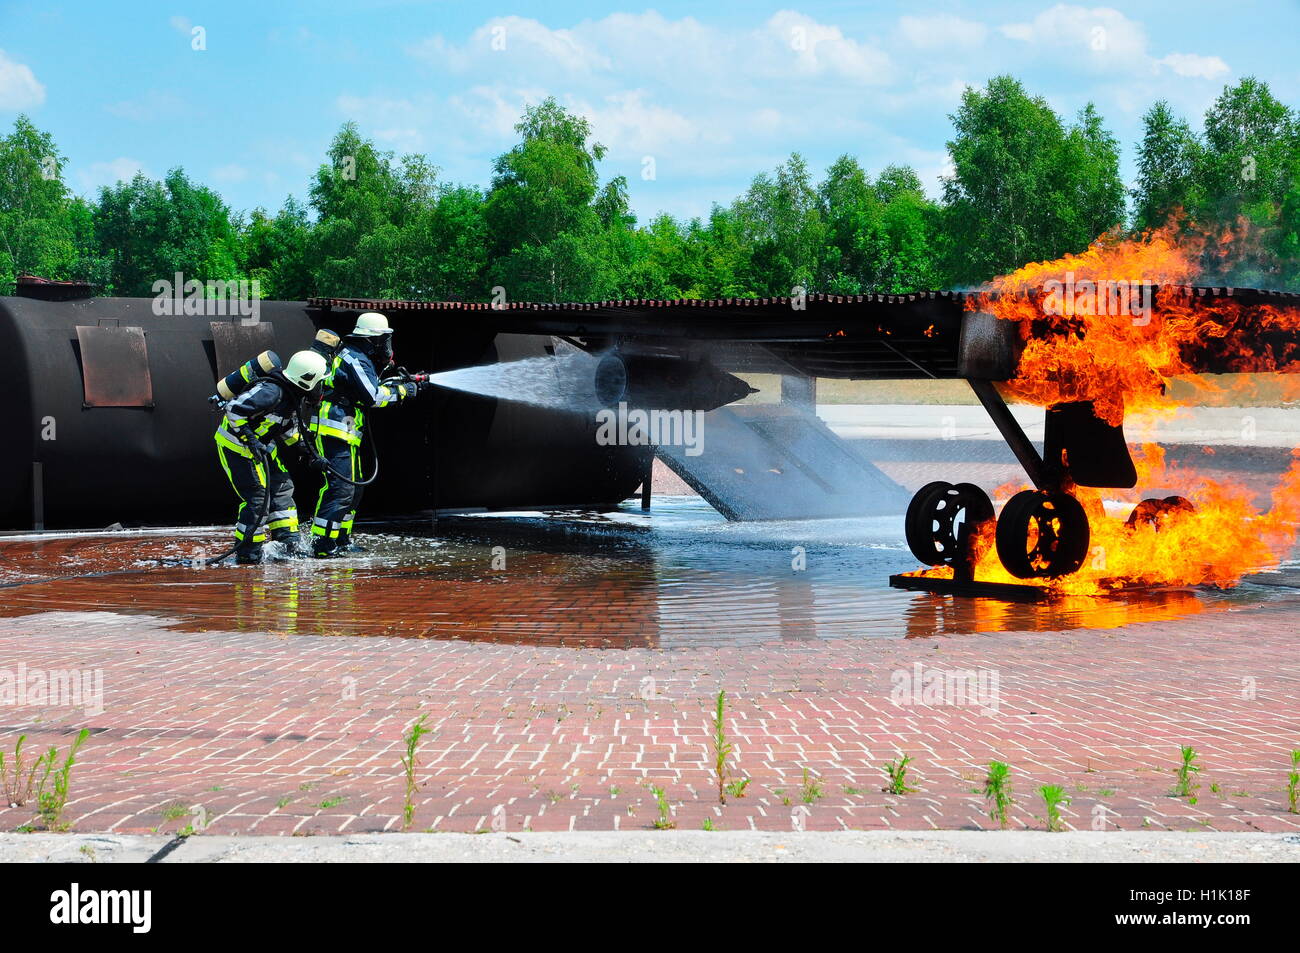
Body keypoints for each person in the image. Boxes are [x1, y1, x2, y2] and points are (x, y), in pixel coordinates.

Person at [309, 312, 421, 557]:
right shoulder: (355, 358)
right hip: (334, 429)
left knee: (354, 489)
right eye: (384, 339)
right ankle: (322, 544)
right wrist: (402, 391)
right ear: (374, 339)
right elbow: (371, 397)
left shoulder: (357, 356)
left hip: (346, 431)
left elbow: (365, 389)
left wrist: (394, 384)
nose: (386, 345)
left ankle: (341, 540)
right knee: (340, 489)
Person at [214, 349, 329, 564]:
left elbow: (289, 430)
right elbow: (234, 409)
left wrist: (311, 454)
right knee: (258, 500)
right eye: (319, 382)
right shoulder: (271, 392)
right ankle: (248, 553)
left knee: (282, 488)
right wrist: (250, 438)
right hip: (237, 447)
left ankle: (288, 544)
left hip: (262, 447)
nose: (321, 388)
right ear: (308, 379)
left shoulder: (292, 396)